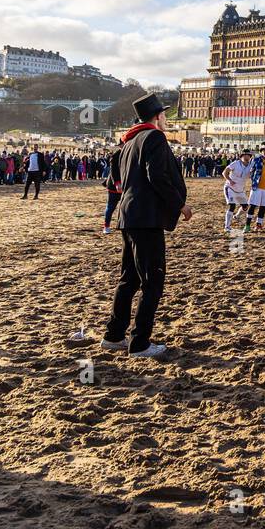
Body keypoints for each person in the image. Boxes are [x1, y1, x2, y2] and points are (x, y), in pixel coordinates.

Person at [105, 94, 191, 359]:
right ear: (157, 117)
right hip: (147, 218)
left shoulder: (129, 141)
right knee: (152, 280)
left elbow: (116, 179)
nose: (166, 119)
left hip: (128, 216)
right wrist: (180, 205)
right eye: (164, 114)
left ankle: (114, 335)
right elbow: (157, 176)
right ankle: (140, 342)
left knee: (128, 279)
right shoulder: (153, 138)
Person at [222, 148, 252, 232]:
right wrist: (230, 180)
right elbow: (225, 172)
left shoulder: (250, 165)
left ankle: (237, 216)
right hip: (230, 188)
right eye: (245, 155)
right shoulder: (235, 163)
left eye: (249, 155)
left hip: (240, 190)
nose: (247, 157)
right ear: (242, 156)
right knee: (232, 206)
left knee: (245, 207)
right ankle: (227, 227)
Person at [101, 147, 122, 235]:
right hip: (114, 185)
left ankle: (121, 224)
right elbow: (113, 170)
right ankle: (106, 226)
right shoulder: (116, 155)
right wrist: (117, 183)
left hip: (127, 184)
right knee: (111, 207)